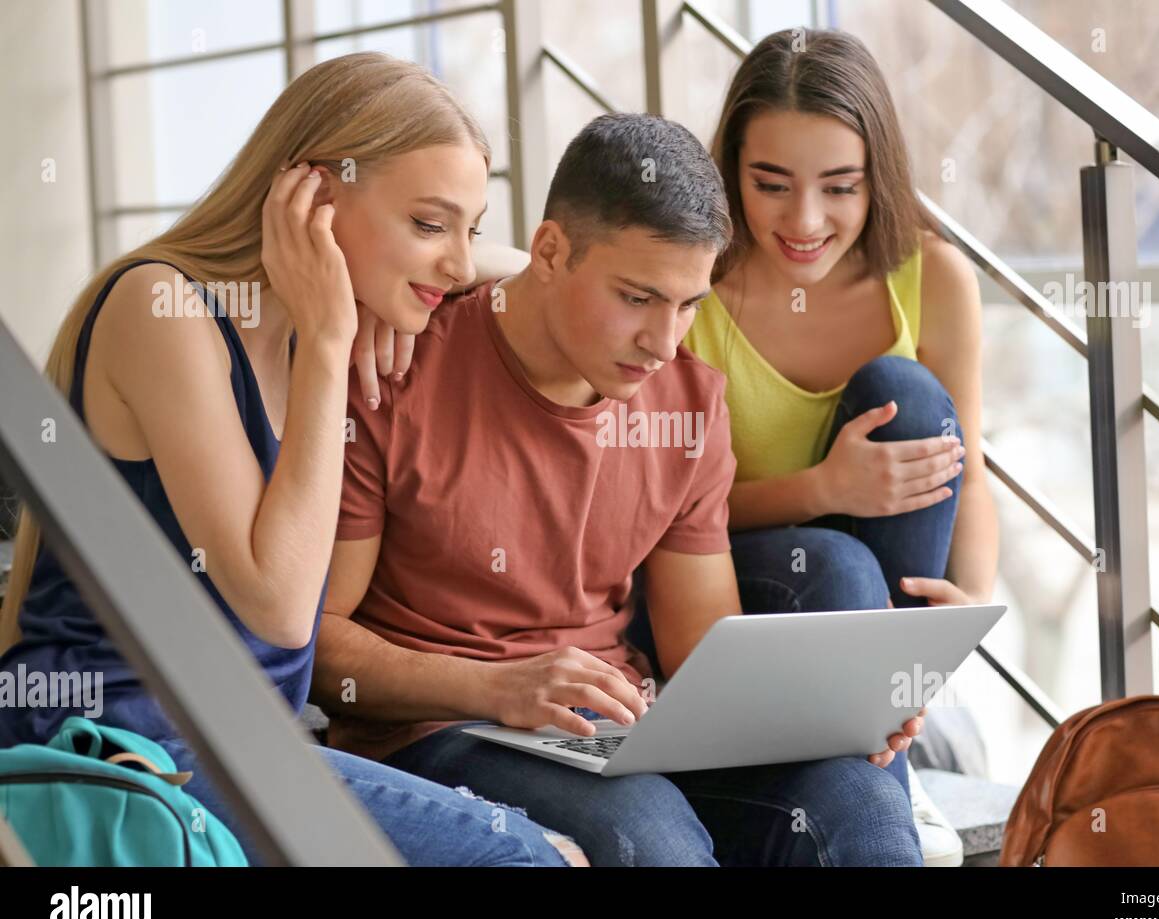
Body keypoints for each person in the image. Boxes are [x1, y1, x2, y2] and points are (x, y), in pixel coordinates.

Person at [0, 52, 583, 867]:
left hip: (240, 744)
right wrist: (335, 340)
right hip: (123, 743)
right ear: (312, 198)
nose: (457, 263)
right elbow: (275, 604)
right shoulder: (161, 308)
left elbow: (527, 275)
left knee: (557, 850)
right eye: (427, 223)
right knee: (523, 858)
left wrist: (400, 285)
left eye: (470, 226)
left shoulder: (307, 316)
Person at [314, 112, 926, 867]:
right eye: (637, 298)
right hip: (442, 734)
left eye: (690, 304)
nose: (664, 342)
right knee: (652, 834)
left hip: (614, 731)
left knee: (863, 810)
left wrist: (839, 714)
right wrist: (496, 687)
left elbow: (702, 650)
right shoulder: (396, 374)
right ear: (549, 252)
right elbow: (320, 645)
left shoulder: (690, 404)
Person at [668, 28, 999, 866]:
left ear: (875, 178)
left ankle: (881, 746)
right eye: (769, 185)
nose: (805, 221)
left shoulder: (932, 276)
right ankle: (888, 775)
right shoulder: (692, 284)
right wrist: (822, 487)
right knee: (835, 565)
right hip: (722, 573)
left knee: (915, 397)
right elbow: (660, 510)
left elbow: (972, 463)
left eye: (839, 188)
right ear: (729, 170)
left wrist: (968, 607)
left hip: (878, 579)